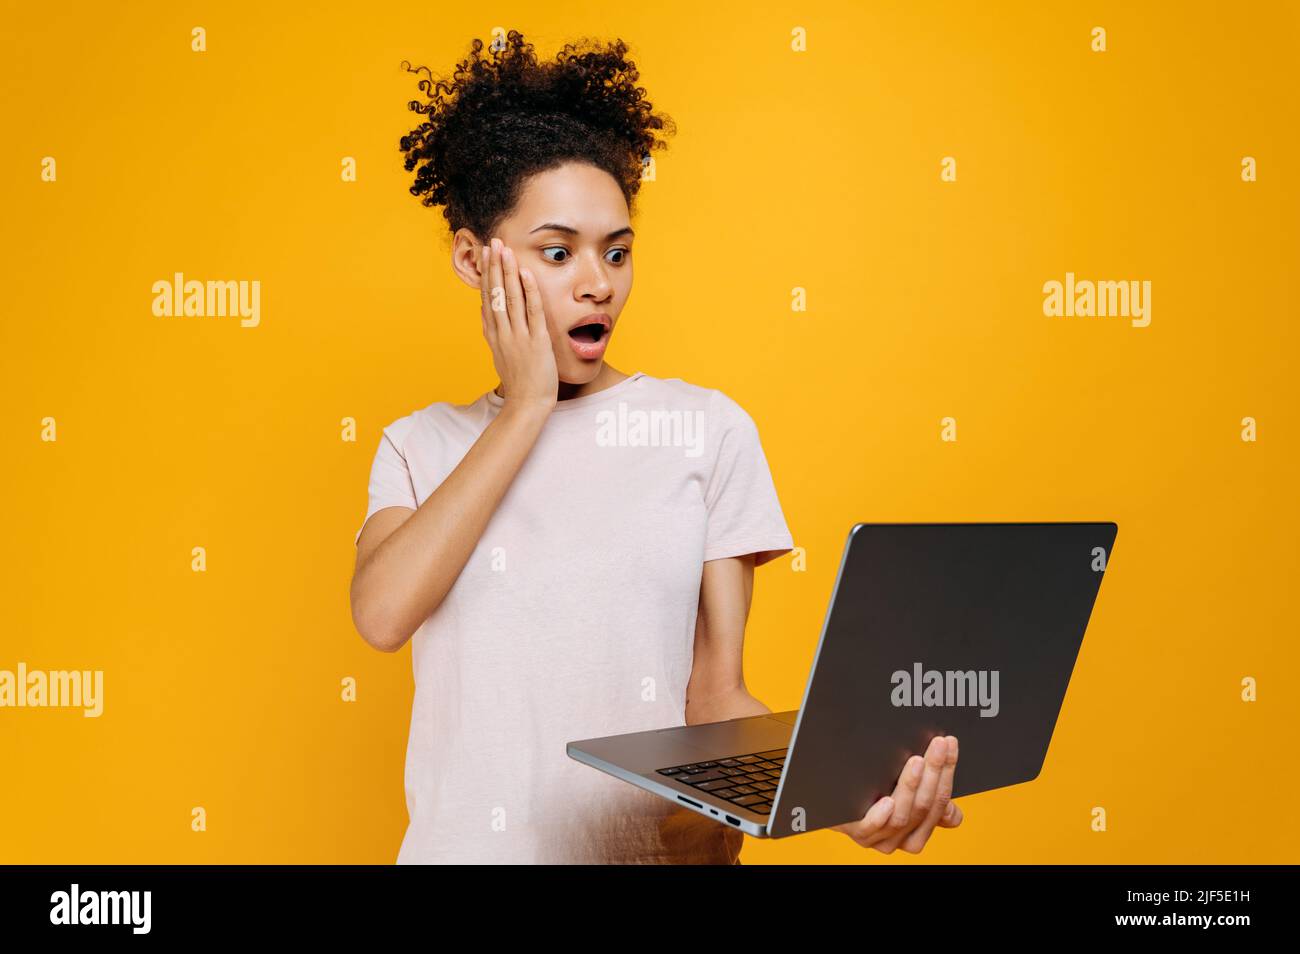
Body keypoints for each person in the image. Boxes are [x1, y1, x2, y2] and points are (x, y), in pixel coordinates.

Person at [350, 30, 964, 864]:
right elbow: (383, 614)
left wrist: (847, 787)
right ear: (473, 257)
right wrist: (525, 408)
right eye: (557, 252)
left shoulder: (705, 431)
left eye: (617, 251)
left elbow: (714, 697)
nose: (596, 282)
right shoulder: (420, 446)